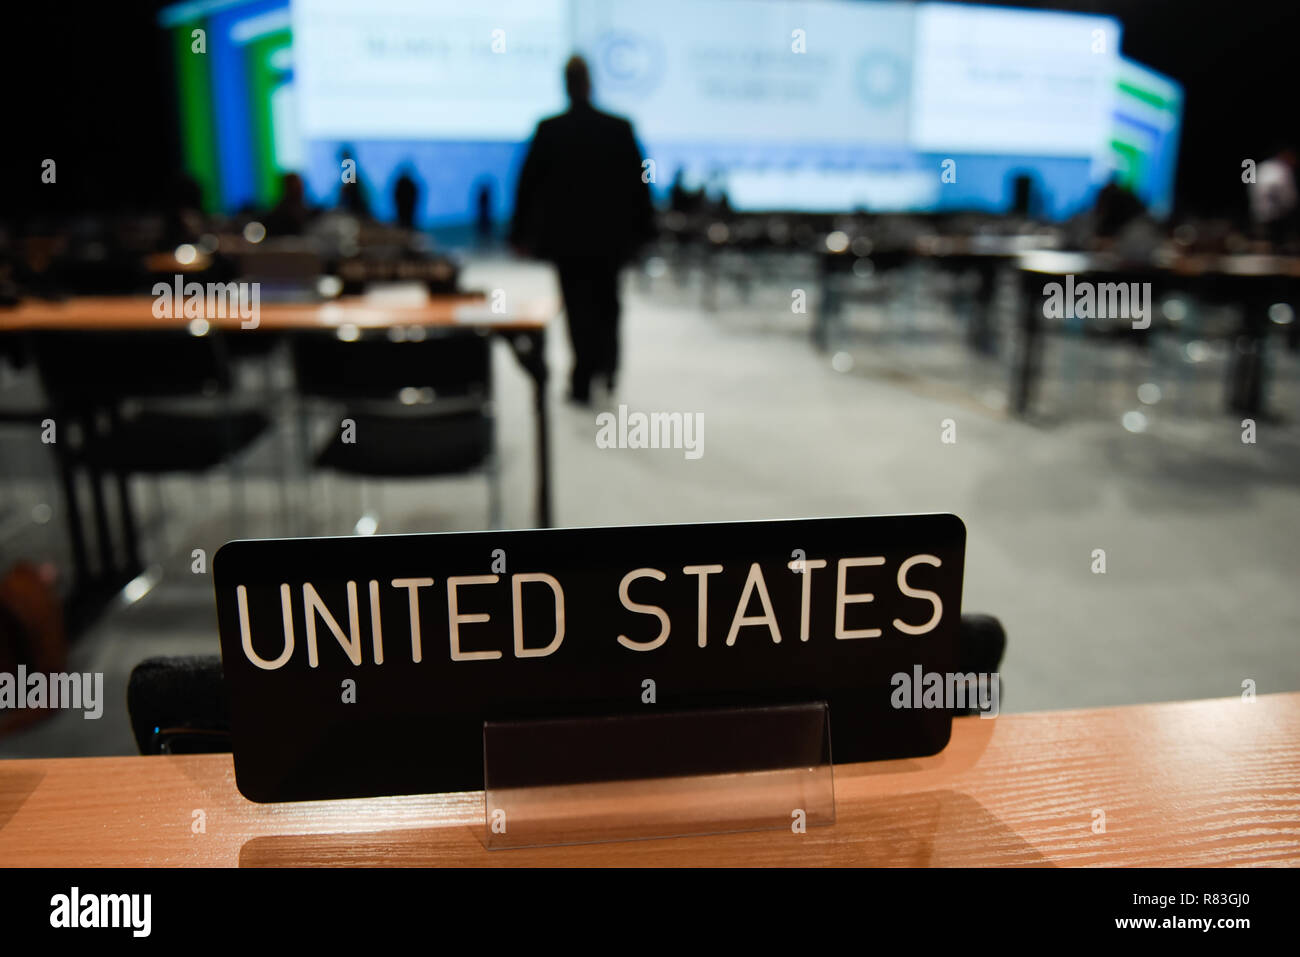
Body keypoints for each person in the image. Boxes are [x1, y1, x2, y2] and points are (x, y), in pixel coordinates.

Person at [510, 55, 655, 404]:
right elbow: (641, 184)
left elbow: (527, 185)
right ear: (590, 82)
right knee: (608, 304)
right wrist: (645, 231)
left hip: (569, 241)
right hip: (609, 240)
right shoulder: (618, 128)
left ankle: (584, 375)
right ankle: (606, 367)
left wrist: (519, 233)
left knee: (578, 308)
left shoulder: (551, 129)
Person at [1249, 146, 1297, 245]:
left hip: (1259, 209)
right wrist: (1290, 205)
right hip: (1276, 212)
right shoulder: (1281, 169)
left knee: (1265, 238)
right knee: (1277, 240)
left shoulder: (1263, 166)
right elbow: (1284, 192)